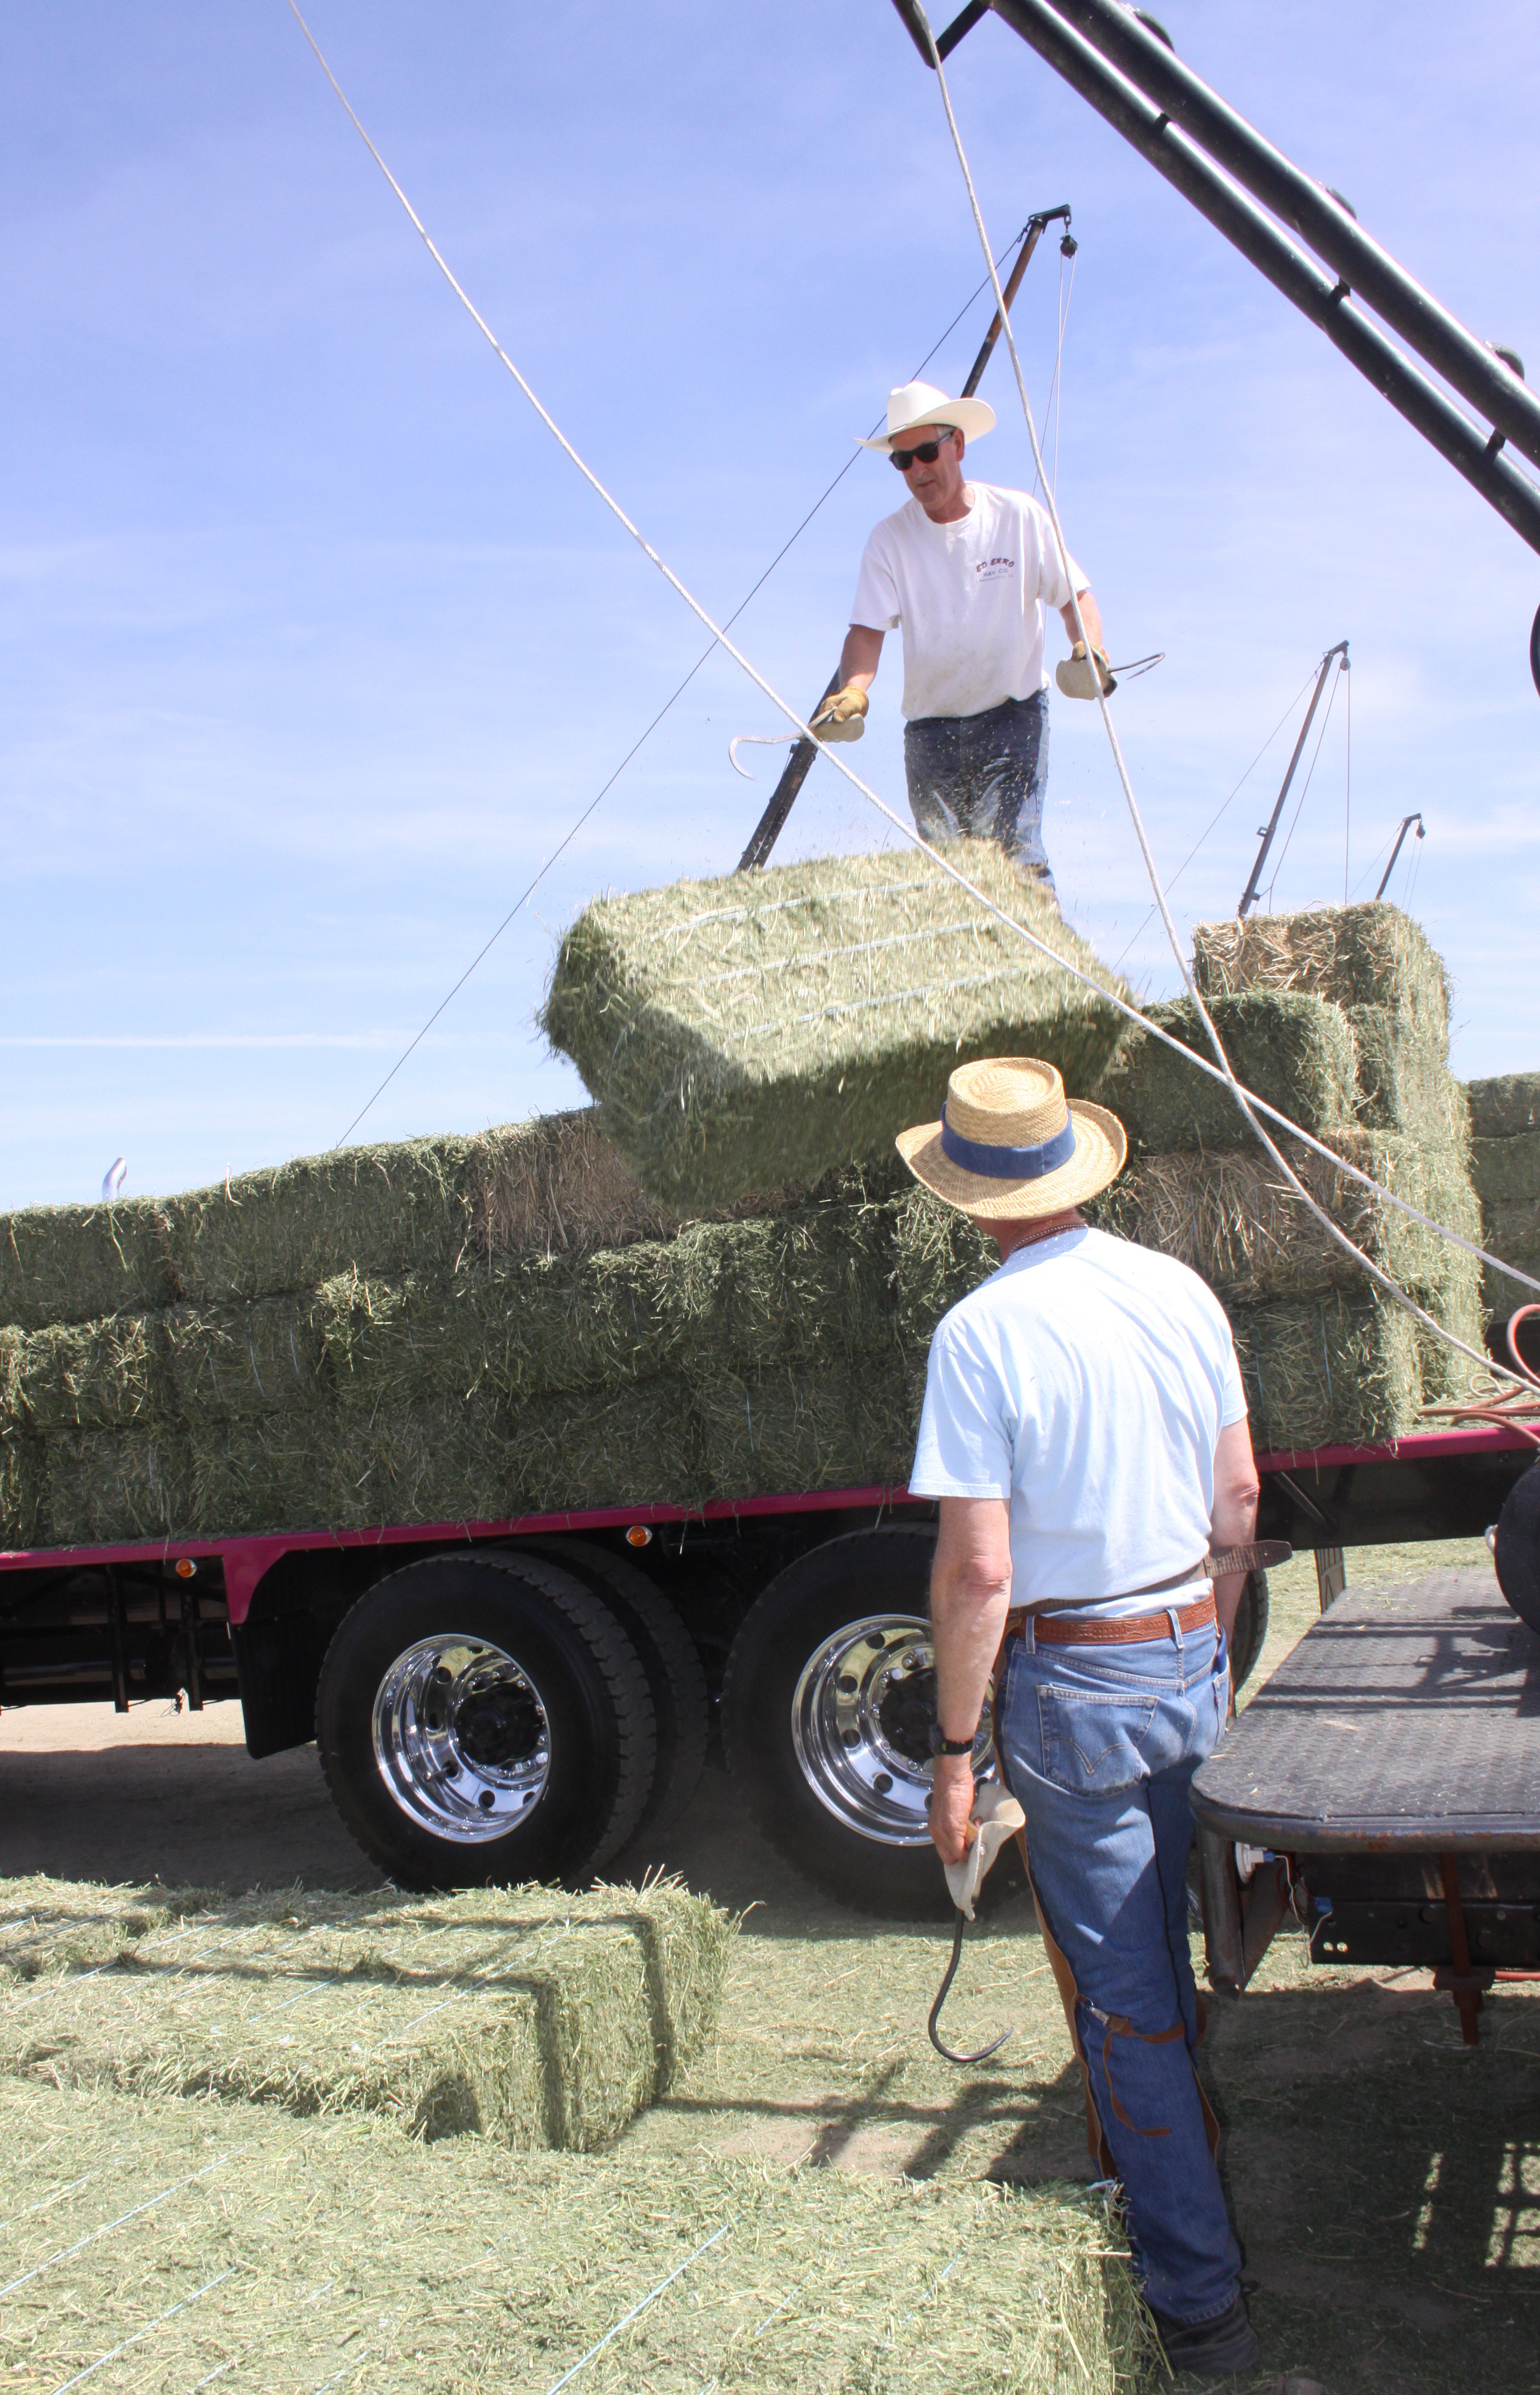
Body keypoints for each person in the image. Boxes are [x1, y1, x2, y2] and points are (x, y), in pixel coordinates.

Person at [896, 1053, 1263, 2382]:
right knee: (1169, 1960)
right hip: (1184, 1647)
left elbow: (980, 1571)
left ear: (972, 1197)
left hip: (1077, 1685)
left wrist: (951, 1756)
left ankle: (1198, 2306)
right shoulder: (1176, 1290)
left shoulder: (978, 1335)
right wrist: (1204, 1652)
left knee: (1128, 2008)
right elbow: (1238, 1509)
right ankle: (1192, 2208)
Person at [812, 381, 1110, 893]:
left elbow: (1074, 596)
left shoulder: (1017, 516)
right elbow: (866, 632)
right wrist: (855, 690)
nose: (918, 471)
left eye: (928, 453)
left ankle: (1040, 967)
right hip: (931, 732)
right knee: (946, 882)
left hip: (1012, 715)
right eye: (903, 461)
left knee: (1017, 861)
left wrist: (1090, 650)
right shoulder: (889, 540)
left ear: (958, 446)